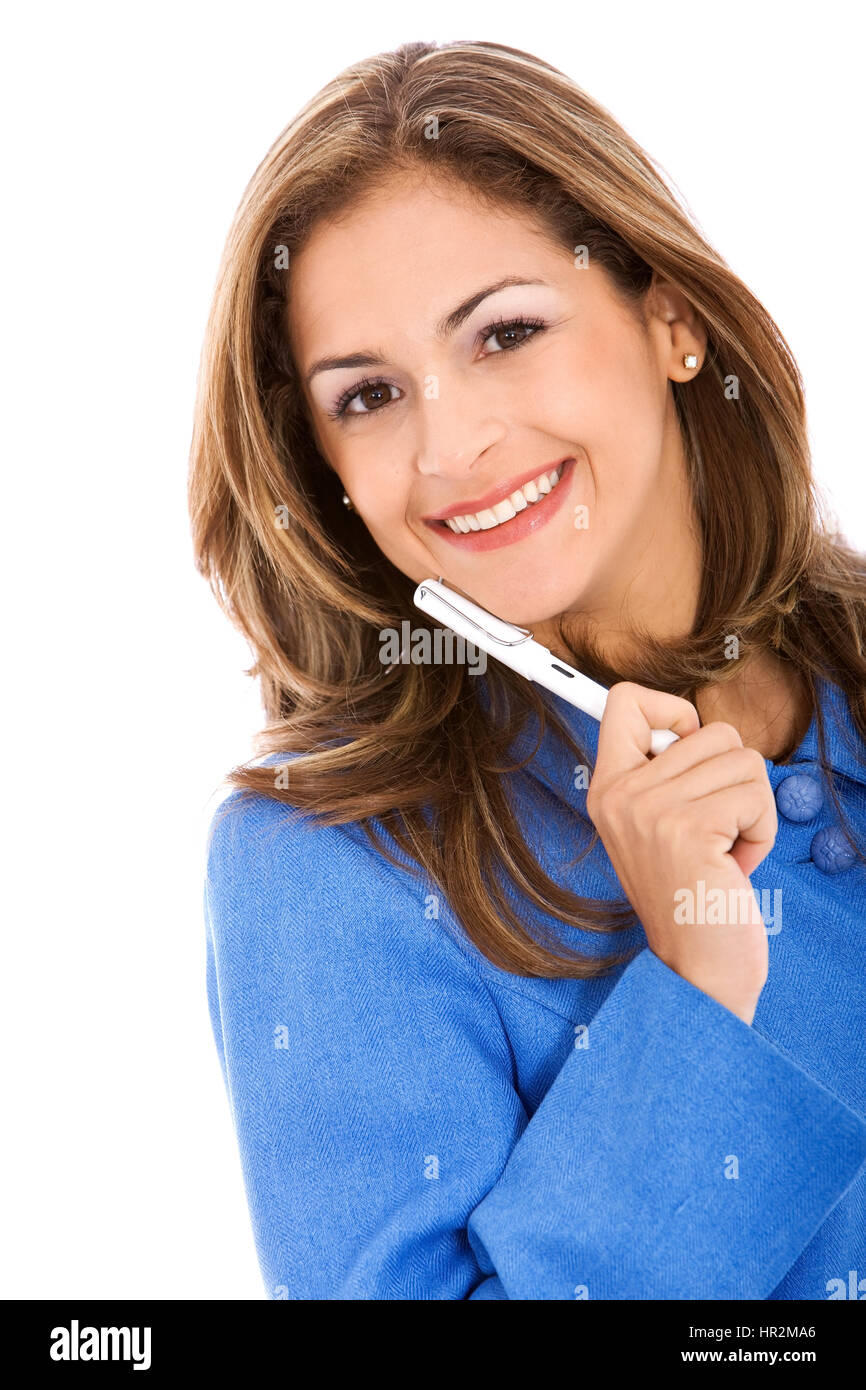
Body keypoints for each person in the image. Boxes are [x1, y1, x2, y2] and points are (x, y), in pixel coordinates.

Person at [188, 38, 866, 1299]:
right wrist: (696, 987)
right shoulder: (325, 863)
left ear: (670, 318)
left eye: (504, 333)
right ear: (325, 472)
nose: (452, 443)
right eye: (370, 395)